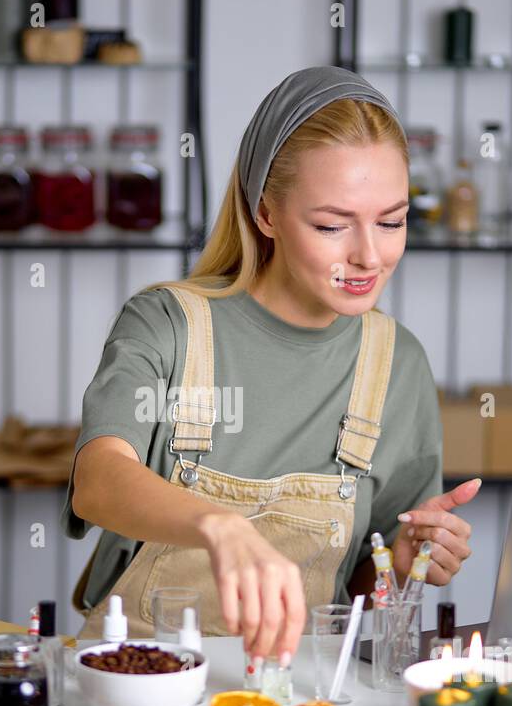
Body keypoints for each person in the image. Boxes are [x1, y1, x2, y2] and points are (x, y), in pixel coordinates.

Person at [63, 65, 480, 669]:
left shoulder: (396, 363)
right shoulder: (170, 326)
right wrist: (221, 528)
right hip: (144, 687)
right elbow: (96, 481)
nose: (368, 255)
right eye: (332, 225)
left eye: (392, 221)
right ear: (265, 213)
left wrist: (405, 558)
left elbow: (359, 592)